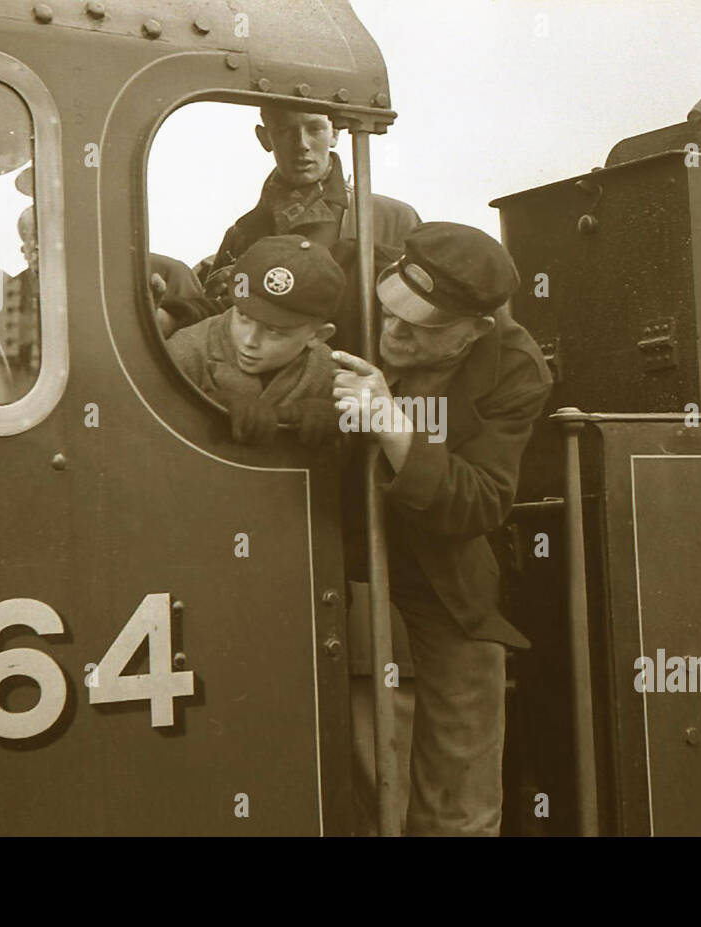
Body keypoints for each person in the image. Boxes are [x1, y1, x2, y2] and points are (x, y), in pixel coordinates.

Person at [332, 221, 554, 836]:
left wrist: (392, 425)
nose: (393, 331)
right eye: (393, 309)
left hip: (439, 562)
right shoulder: (350, 283)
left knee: (462, 762)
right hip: (322, 542)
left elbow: (482, 501)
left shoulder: (516, 369)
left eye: (421, 325)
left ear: (474, 331)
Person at [150, 106, 420, 333]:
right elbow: (228, 321)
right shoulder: (242, 234)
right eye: (284, 130)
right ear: (265, 138)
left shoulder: (391, 219)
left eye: (314, 129)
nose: (301, 145)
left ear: (335, 133)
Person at [164, 235, 345, 445]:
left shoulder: (332, 374)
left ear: (317, 335)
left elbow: (374, 433)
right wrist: (207, 406)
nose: (250, 340)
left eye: (274, 331)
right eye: (243, 316)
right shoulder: (185, 353)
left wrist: (341, 423)